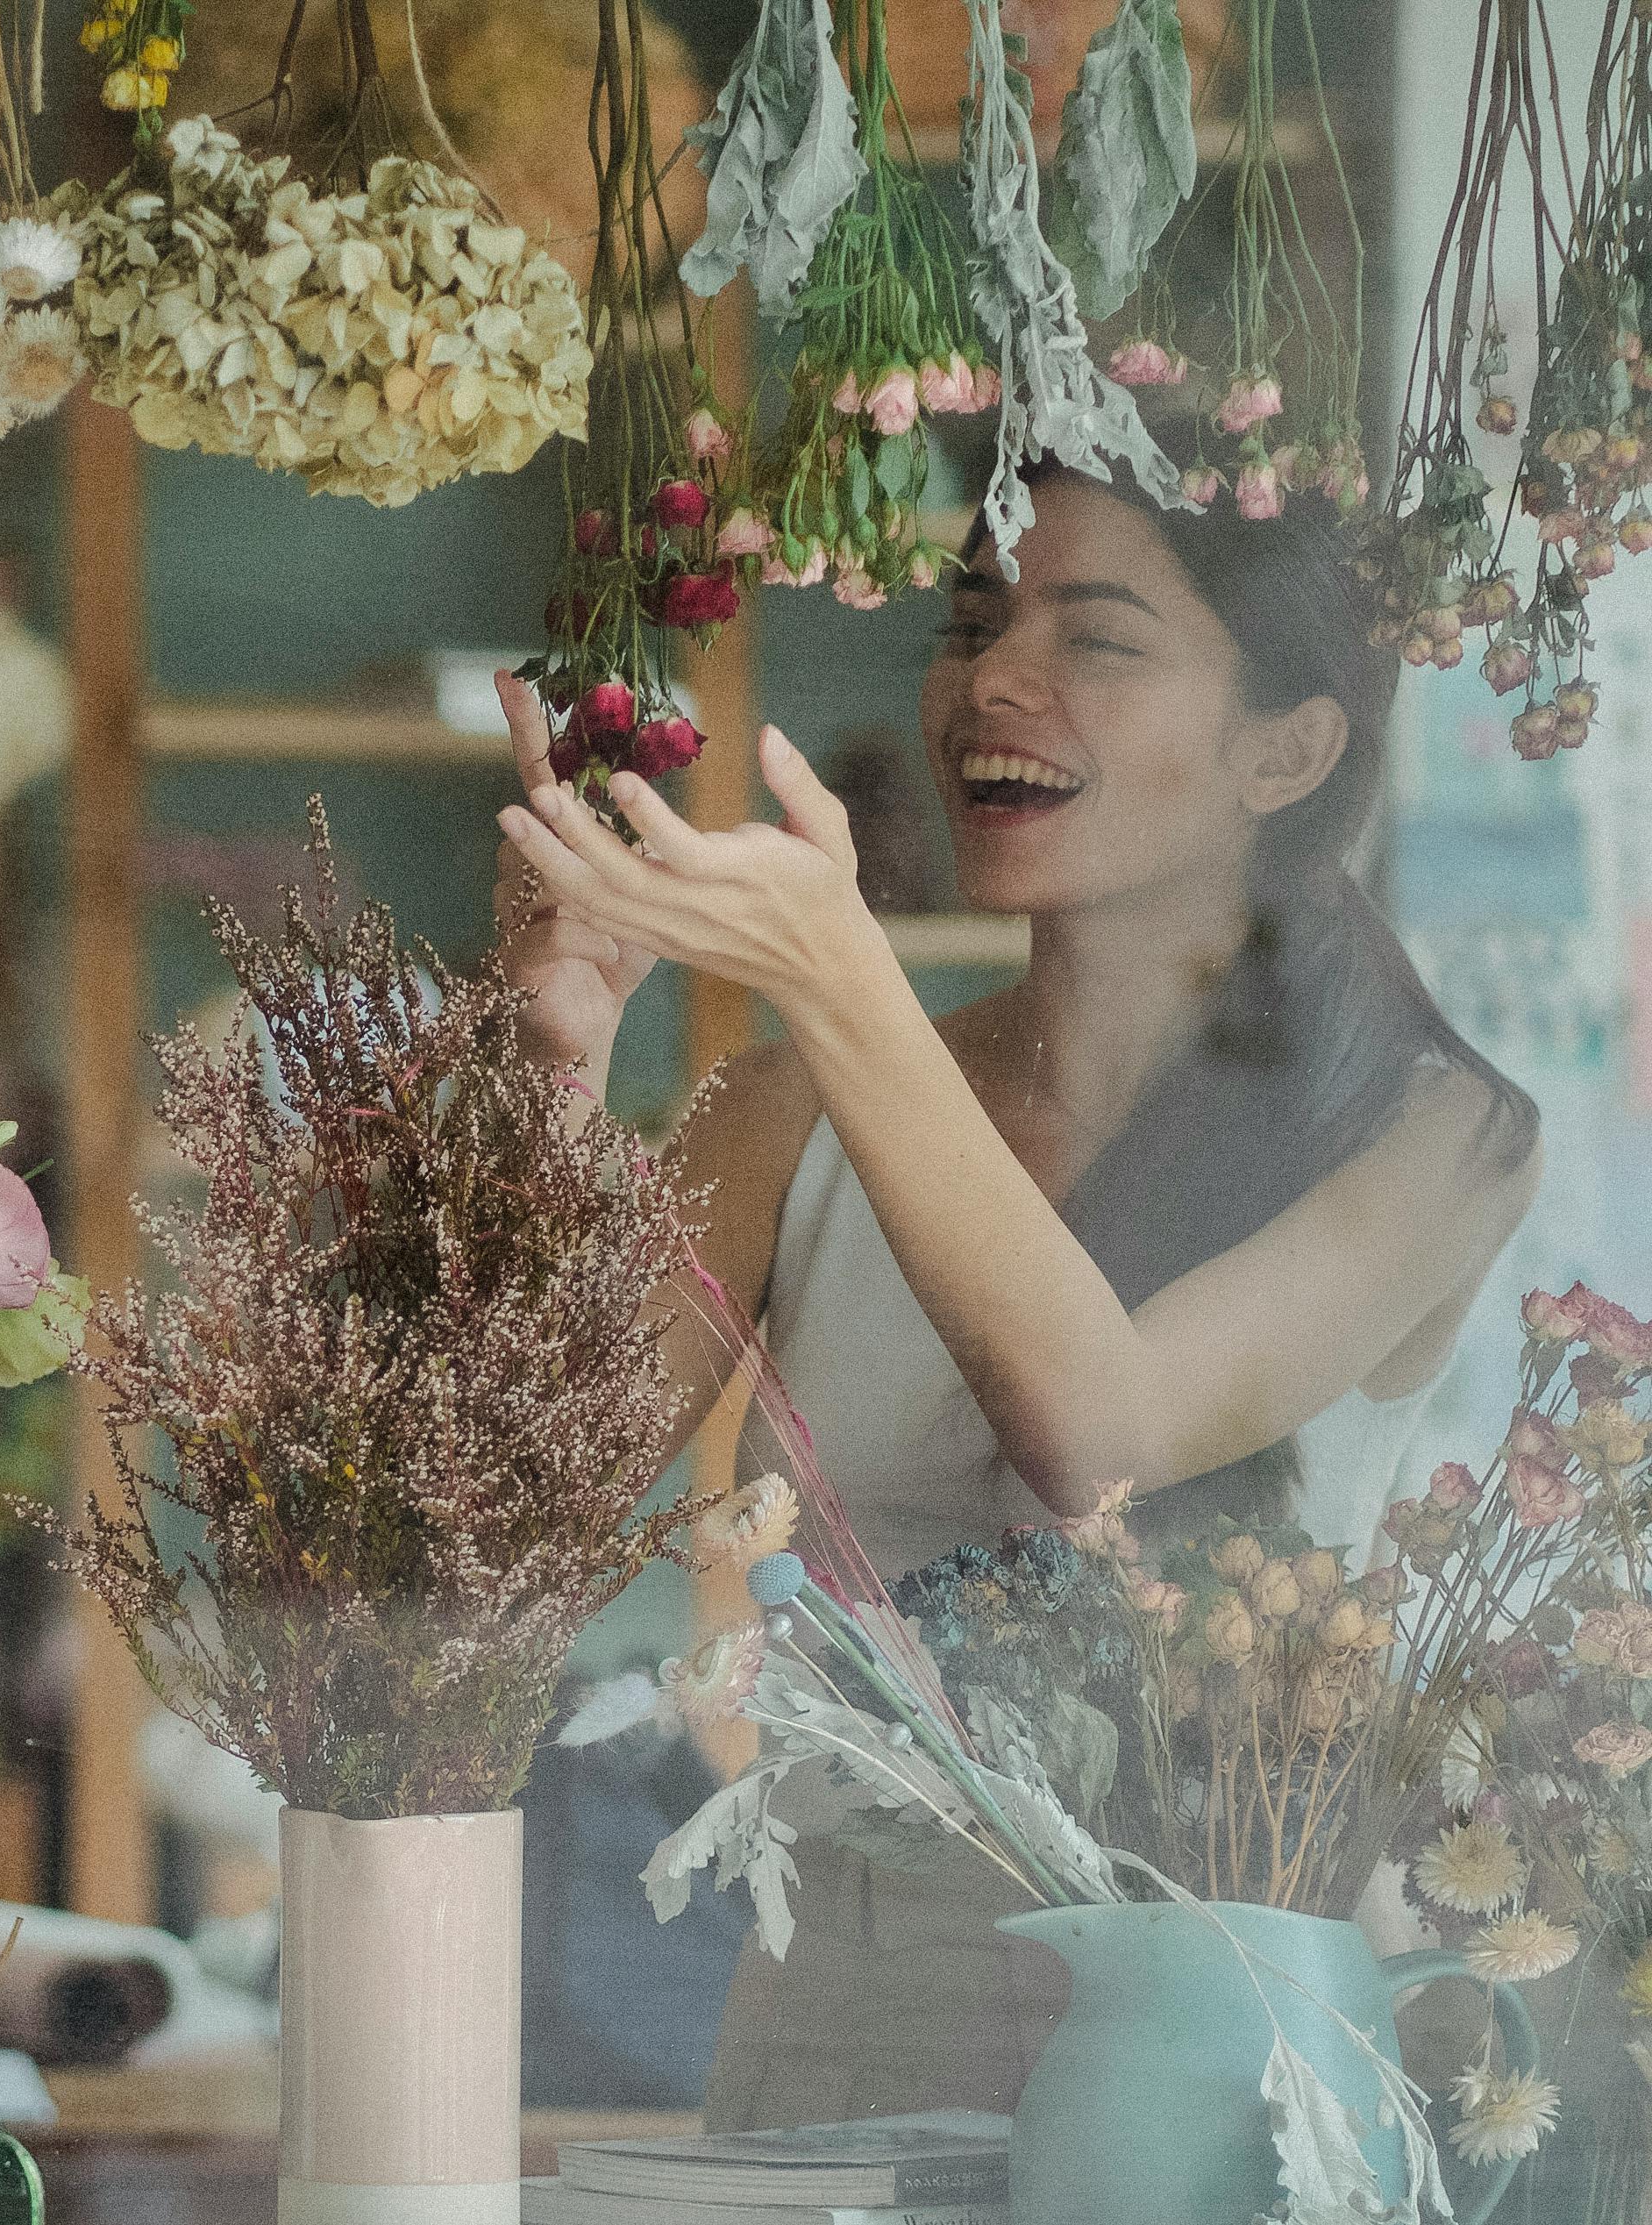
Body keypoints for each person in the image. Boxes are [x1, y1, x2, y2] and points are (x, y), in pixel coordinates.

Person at [494, 462, 1540, 2128]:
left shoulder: (1440, 1132)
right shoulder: (787, 1108)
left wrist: (842, 972)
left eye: (1097, 638)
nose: (989, 679)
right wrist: (549, 1060)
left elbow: (1099, 1441)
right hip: (840, 2038)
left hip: (1215, 2063)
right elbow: (506, 1527)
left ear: (1292, 746)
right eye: (972, 621)